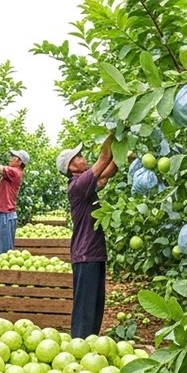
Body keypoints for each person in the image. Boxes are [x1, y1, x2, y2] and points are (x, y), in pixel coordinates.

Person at [57, 135, 116, 338]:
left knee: (96, 305)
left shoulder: (87, 184)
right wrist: (114, 133)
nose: (83, 158)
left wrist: (124, 151)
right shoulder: (78, 185)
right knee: (84, 307)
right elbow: (103, 158)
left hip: (95, 253)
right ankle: (78, 346)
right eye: (79, 156)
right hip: (85, 254)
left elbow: (108, 172)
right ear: (72, 167)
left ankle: (90, 344)